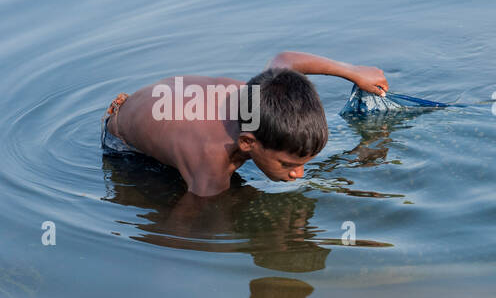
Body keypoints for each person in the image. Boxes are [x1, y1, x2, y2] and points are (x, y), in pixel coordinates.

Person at [100, 51, 388, 196]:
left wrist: (353, 72)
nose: (299, 175)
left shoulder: (260, 94)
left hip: (163, 109)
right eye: (288, 165)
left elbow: (285, 59)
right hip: (125, 148)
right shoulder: (211, 159)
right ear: (248, 142)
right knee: (227, 202)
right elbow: (186, 226)